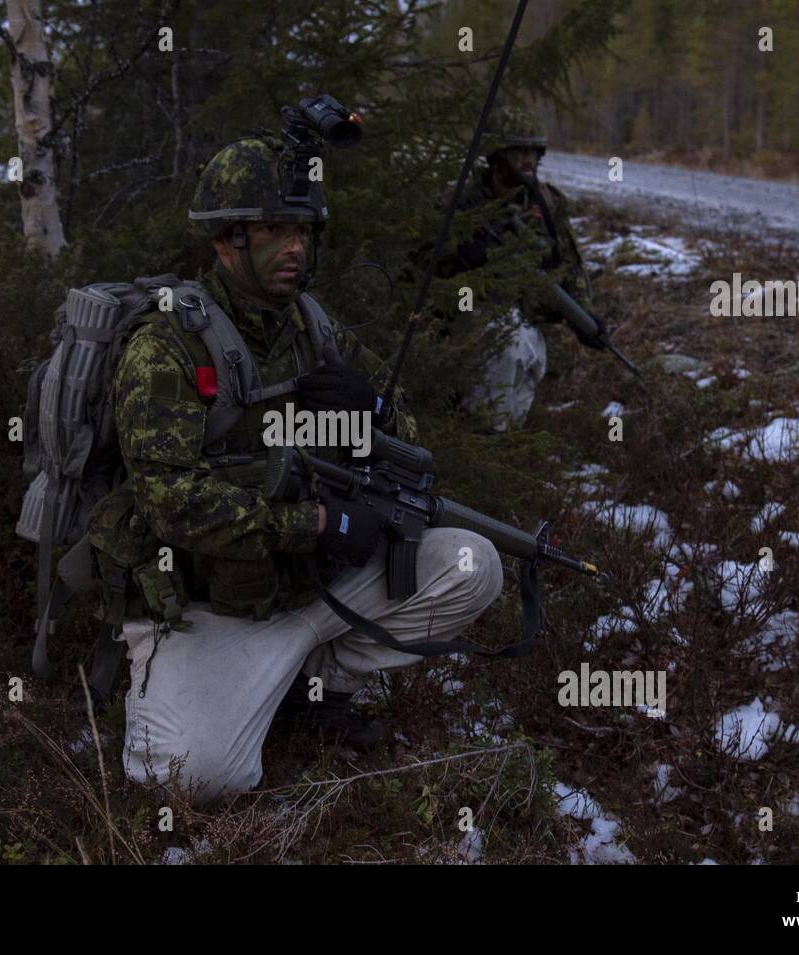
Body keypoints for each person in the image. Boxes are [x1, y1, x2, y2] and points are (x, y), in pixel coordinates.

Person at [90, 131, 503, 804]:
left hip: (317, 586)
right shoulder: (168, 347)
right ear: (225, 239)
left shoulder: (314, 327)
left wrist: (372, 408)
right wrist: (314, 521)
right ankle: (212, 676)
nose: (295, 247)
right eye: (273, 230)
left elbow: (411, 438)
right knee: (193, 777)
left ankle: (324, 686)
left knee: (472, 564)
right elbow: (171, 502)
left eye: (303, 230)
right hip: (214, 606)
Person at [436, 105, 604, 431]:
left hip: (527, 317)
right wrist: (463, 254)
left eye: (533, 151)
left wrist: (586, 319)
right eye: (518, 151)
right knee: (507, 351)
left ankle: (501, 446)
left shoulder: (547, 202)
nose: (528, 159)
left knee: (524, 368)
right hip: (470, 318)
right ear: (498, 157)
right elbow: (426, 270)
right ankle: (482, 437)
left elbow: (569, 264)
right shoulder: (462, 202)